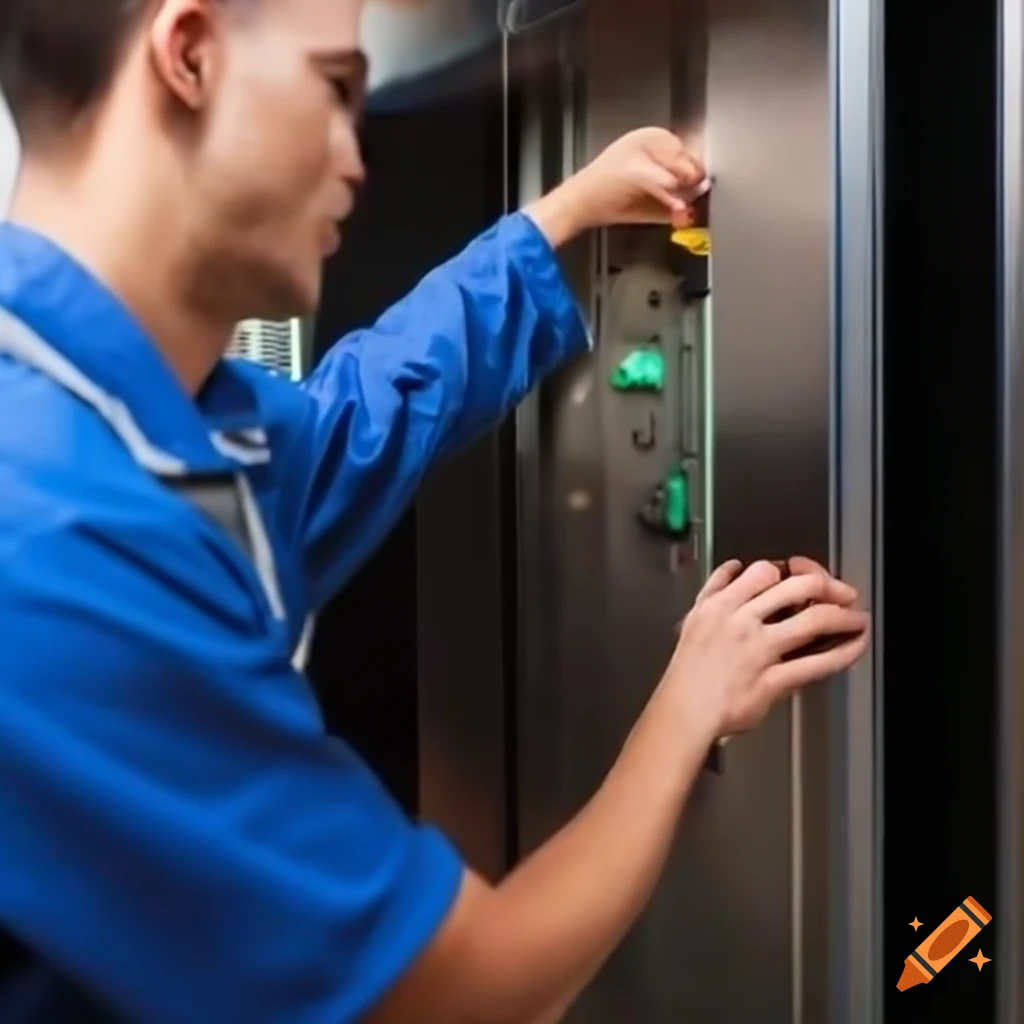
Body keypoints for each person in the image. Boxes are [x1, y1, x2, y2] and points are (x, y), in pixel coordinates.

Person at [0, 1, 871, 1022]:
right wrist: (685, 709)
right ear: (187, 55)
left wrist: (562, 218)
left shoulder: (142, 417)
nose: (355, 157)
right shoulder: (57, 544)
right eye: (334, 89)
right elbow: (460, 995)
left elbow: (355, 420)